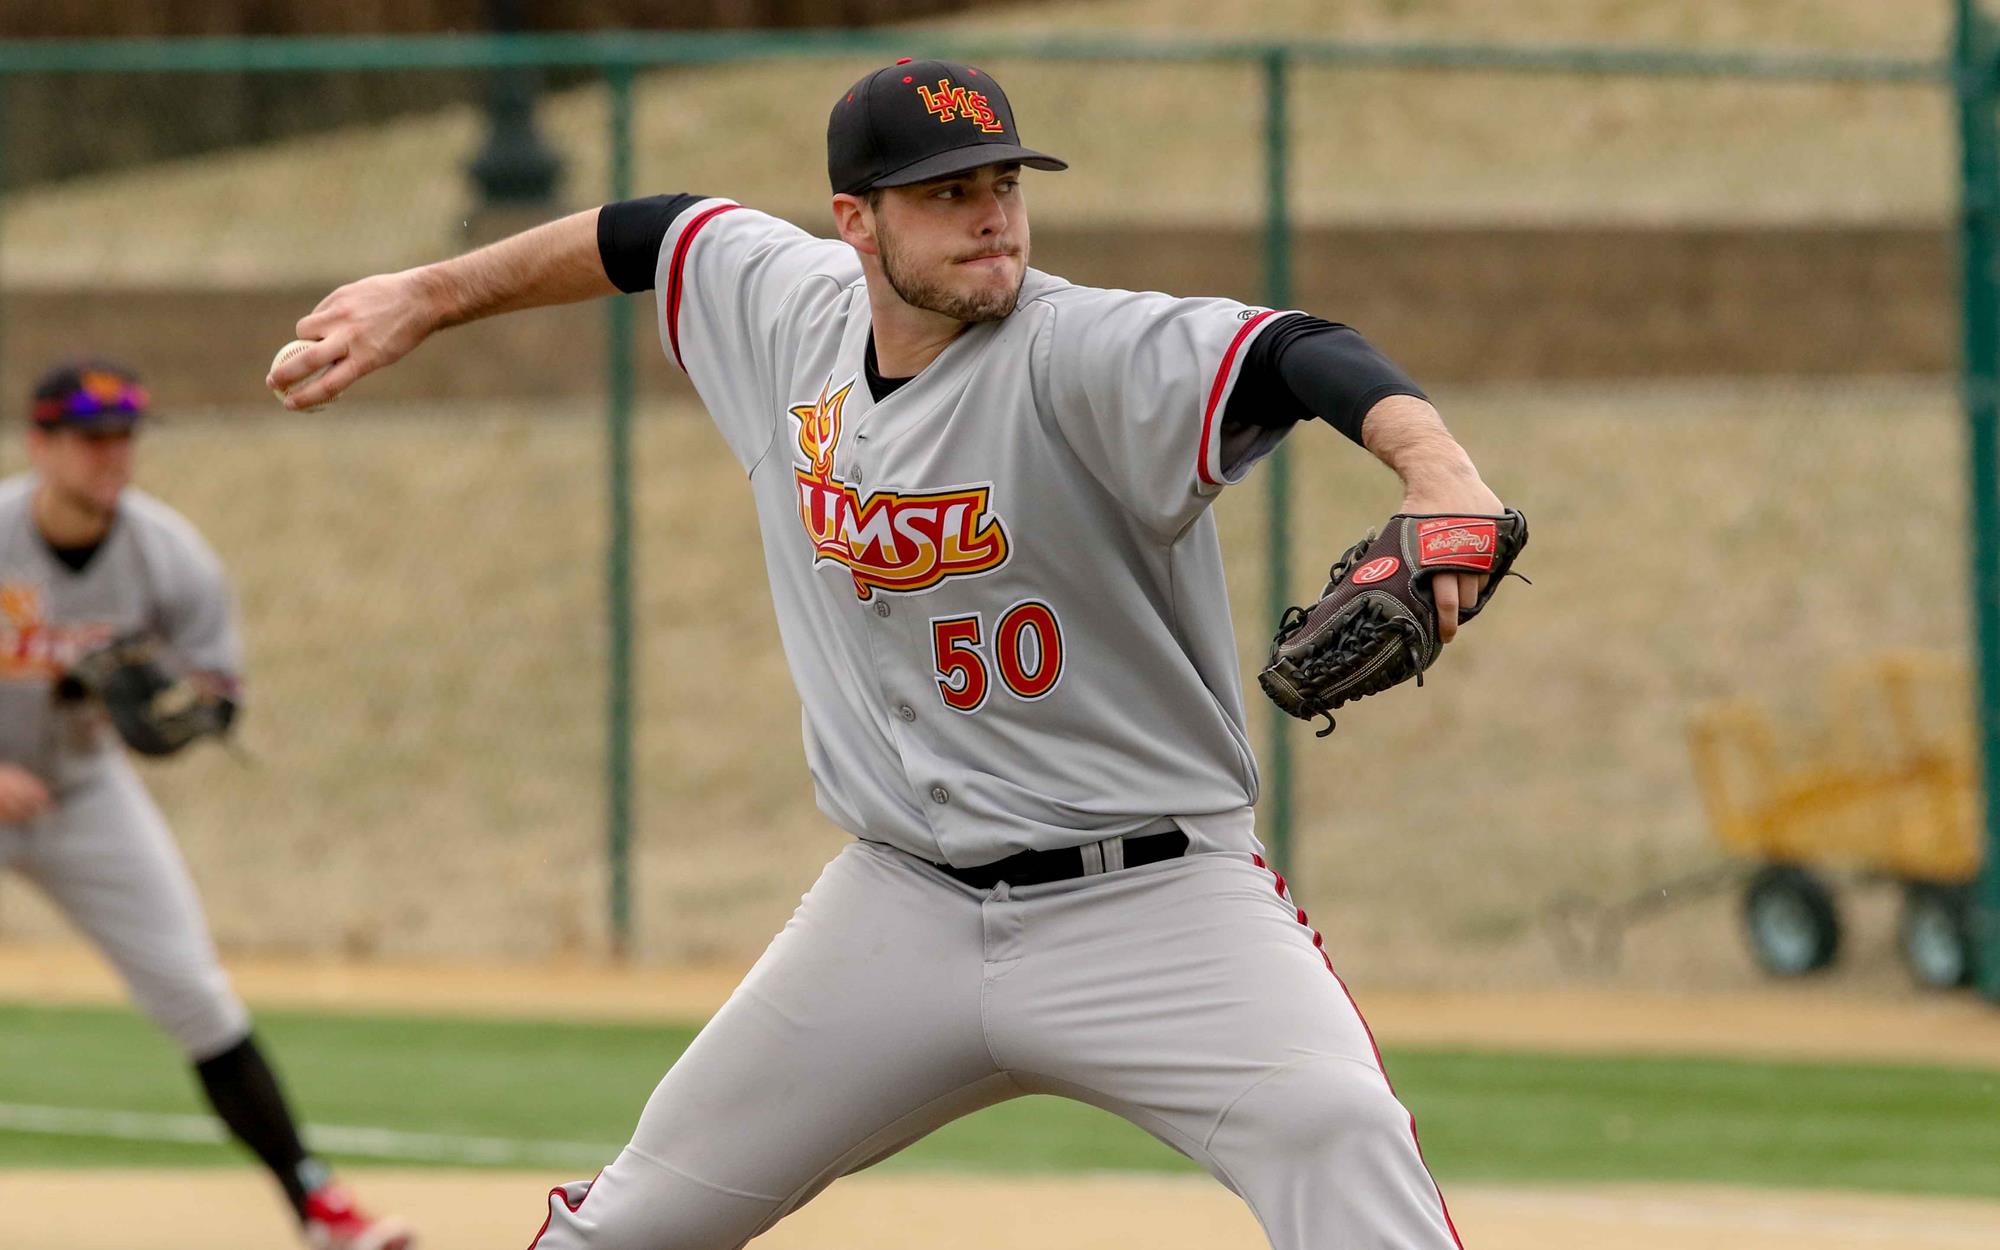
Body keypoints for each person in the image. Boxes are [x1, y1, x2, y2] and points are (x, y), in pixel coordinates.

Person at [272, 58, 1509, 1249]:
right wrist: (426, 295)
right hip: (900, 905)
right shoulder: (785, 306)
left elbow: (1294, 349)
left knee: (1339, 1130)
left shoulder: (1076, 349)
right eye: (947, 194)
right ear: (853, 221)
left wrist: (1437, 470)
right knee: (637, 1220)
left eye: (1004, 186)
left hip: (1156, 903)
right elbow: (648, 231)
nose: (990, 221)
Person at [0, 362, 412, 1250]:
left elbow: (218, 691)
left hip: (80, 793)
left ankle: (318, 1207)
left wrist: (180, 713)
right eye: (90, 436)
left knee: (195, 994)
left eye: (125, 434)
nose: (113, 453)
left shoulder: (168, 553)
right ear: (40, 445)